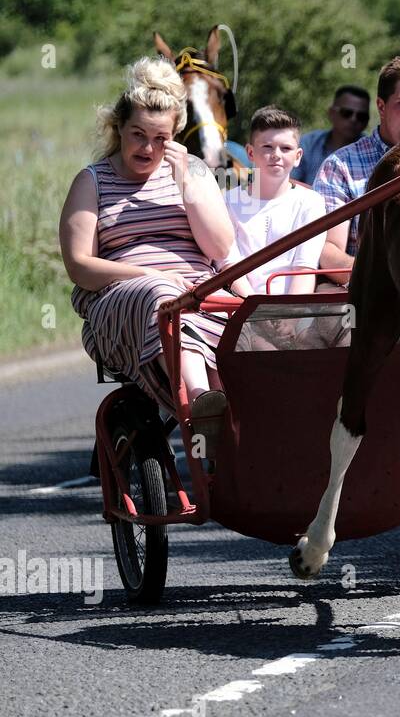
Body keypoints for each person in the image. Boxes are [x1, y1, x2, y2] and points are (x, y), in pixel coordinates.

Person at [59, 57, 235, 438]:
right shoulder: (93, 181)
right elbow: (79, 266)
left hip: (197, 293)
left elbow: (219, 246)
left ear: (173, 138)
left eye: (160, 139)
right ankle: (200, 400)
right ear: (119, 127)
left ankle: (229, 435)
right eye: (138, 134)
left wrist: (185, 183)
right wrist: (154, 275)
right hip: (123, 301)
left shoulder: (194, 173)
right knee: (162, 295)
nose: (148, 148)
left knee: (243, 317)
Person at [313, 56, 400, 285]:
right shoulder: (341, 165)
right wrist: (386, 278)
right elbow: (327, 251)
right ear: (381, 106)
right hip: (368, 301)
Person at [224, 105, 327, 298]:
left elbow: (305, 268)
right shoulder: (228, 201)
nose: (276, 155)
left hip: (294, 310)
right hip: (237, 307)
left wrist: (291, 317)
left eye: (286, 148)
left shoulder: (311, 203)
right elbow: (228, 265)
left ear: (298, 157)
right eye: (267, 147)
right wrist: (254, 308)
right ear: (250, 153)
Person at [290, 85, 370, 187]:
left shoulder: (372, 153)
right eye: (347, 113)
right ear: (331, 113)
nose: (353, 119)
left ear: (367, 121)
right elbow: (289, 182)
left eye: (361, 116)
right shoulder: (308, 144)